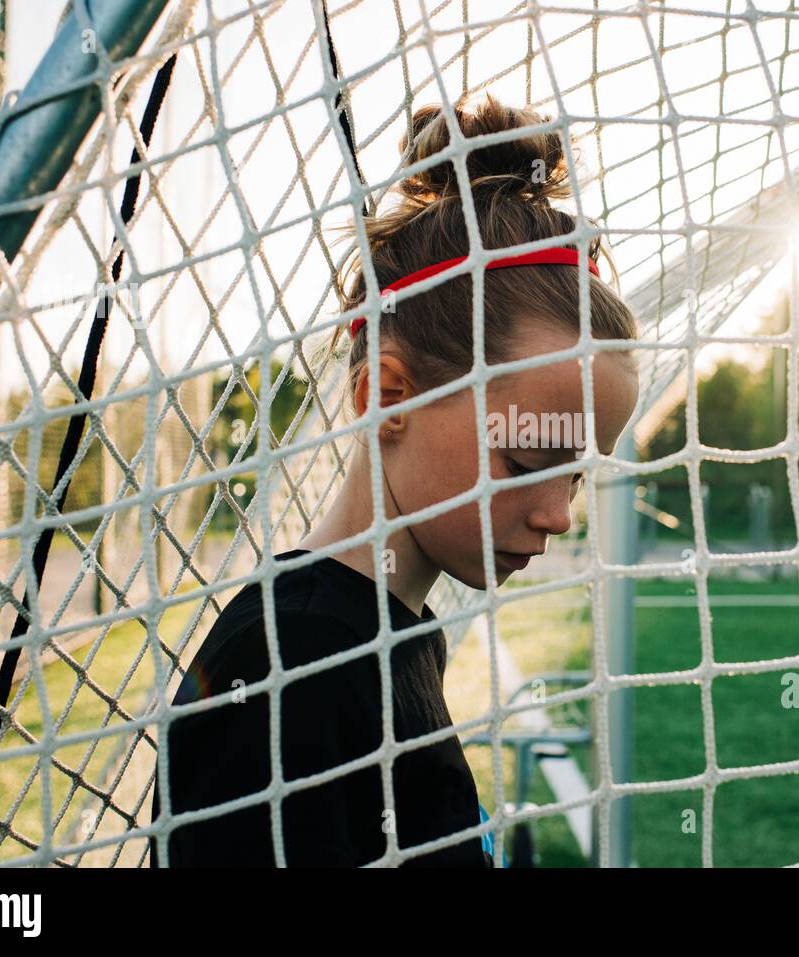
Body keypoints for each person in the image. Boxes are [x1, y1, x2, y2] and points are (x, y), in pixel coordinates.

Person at [149, 91, 640, 867]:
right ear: (386, 396)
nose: (559, 515)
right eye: (528, 461)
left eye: (576, 478)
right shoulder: (289, 667)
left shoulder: (390, 631)